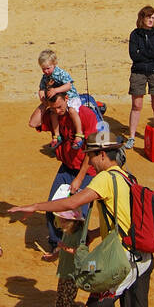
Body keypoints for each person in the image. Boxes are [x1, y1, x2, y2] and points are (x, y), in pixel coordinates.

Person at [9, 130, 154, 307]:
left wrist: (34, 207)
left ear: (101, 154)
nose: (89, 161)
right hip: (143, 256)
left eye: (91, 155)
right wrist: (97, 234)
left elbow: (73, 201)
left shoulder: (105, 179)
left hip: (122, 262)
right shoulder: (127, 176)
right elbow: (123, 220)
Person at [37, 89, 98, 262]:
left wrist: (80, 177)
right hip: (67, 166)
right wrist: (44, 103)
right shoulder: (54, 113)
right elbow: (33, 121)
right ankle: (57, 244)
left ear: (67, 99)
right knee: (52, 207)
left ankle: (79, 248)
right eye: (53, 108)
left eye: (59, 106)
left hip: (86, 170)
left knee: (79, 213)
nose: (57, 111)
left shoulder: (86, 114)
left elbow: (90, 149)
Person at [127, 5, 154, 150]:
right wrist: (152, 52)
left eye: (153, 17)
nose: (151, 20)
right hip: (139, 72)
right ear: (142, 18)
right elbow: (134, 55)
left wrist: (144, 52)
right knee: (136, 105)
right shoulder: (135, 34)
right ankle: (131, 137)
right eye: (149, 17)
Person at [28, 49, 84, 145]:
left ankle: (79, 133)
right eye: (43, 69)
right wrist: (43, 98)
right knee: (53, 114)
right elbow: (41, 89)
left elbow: (68, 85)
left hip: (71, 97)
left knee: (72, 111)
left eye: (48, 68)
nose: (45, 71)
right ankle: (57, 135)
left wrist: (56, 90)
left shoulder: (61, 73)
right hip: (56, 99)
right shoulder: (45, 77)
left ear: (54, 64)